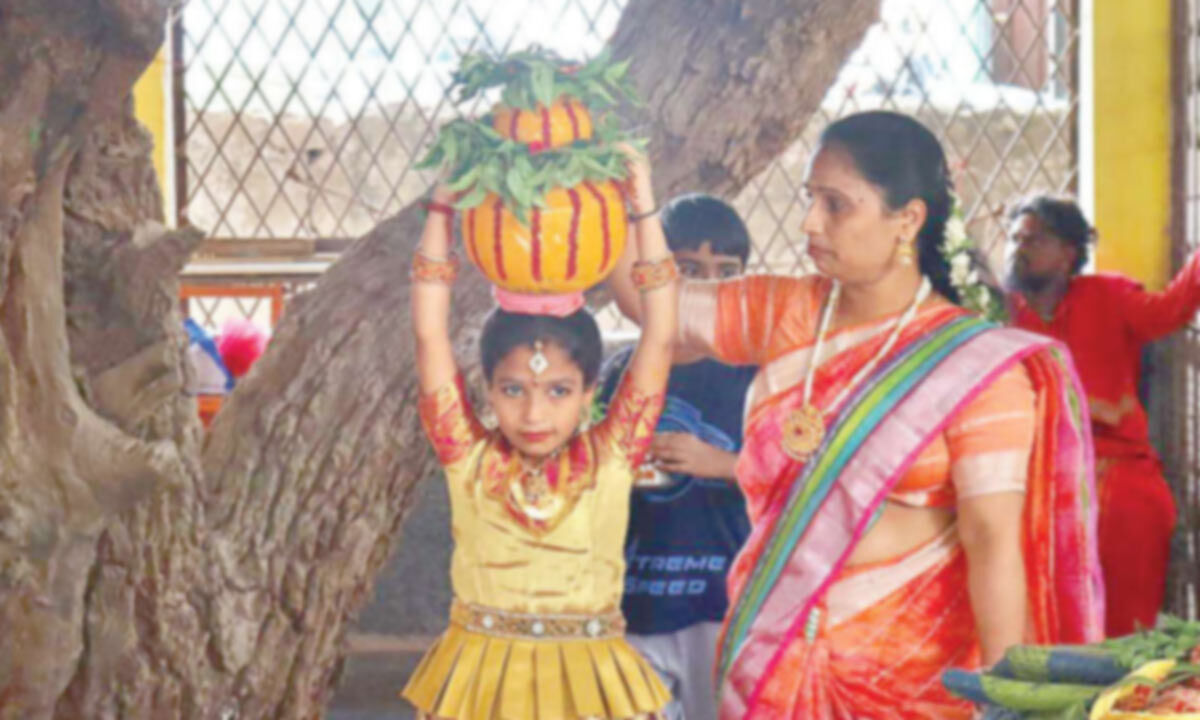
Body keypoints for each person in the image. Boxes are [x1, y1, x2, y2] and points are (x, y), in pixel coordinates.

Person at [611, 111, 1104, 720]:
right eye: (809, 199)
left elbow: (993, 541)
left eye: (836, 205)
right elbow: (650, 302)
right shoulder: (785, 312)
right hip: (770, 667)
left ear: (909, 219)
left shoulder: (973, 368)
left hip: (912, 685)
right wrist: (617, 194)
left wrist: (1007, 702)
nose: (809, 222)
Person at [402, 146, 679, 720]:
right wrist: (441, 209)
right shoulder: (466, 454)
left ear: (589, 392)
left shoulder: (613, 454)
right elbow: (430, 335)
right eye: (513, 390)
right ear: (486, 389)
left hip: (593, 689)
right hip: (480, 685)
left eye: (557, 391)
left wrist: (643, 207)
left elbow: (661, 335)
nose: (534, 415)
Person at [1006, 194, 1200, 637]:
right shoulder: (1002, 316)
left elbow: (1170, 311)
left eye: (1034, 239)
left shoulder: (1107, 295)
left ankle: (1121, 685)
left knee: (1134, 511)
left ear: (1068, 252)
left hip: (1118, 470)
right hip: (1036, 475)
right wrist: (1077, 404)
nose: (1020, 248)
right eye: (1015, 238)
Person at [597, 194, 755, 720]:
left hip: (725, 607)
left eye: (724, 271)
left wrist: (724, 464)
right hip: (635, 606)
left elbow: (809, 477)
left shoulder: (760, 376)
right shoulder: (624, 373)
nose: (705, 284)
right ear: (653, 273)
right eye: (688, 268)